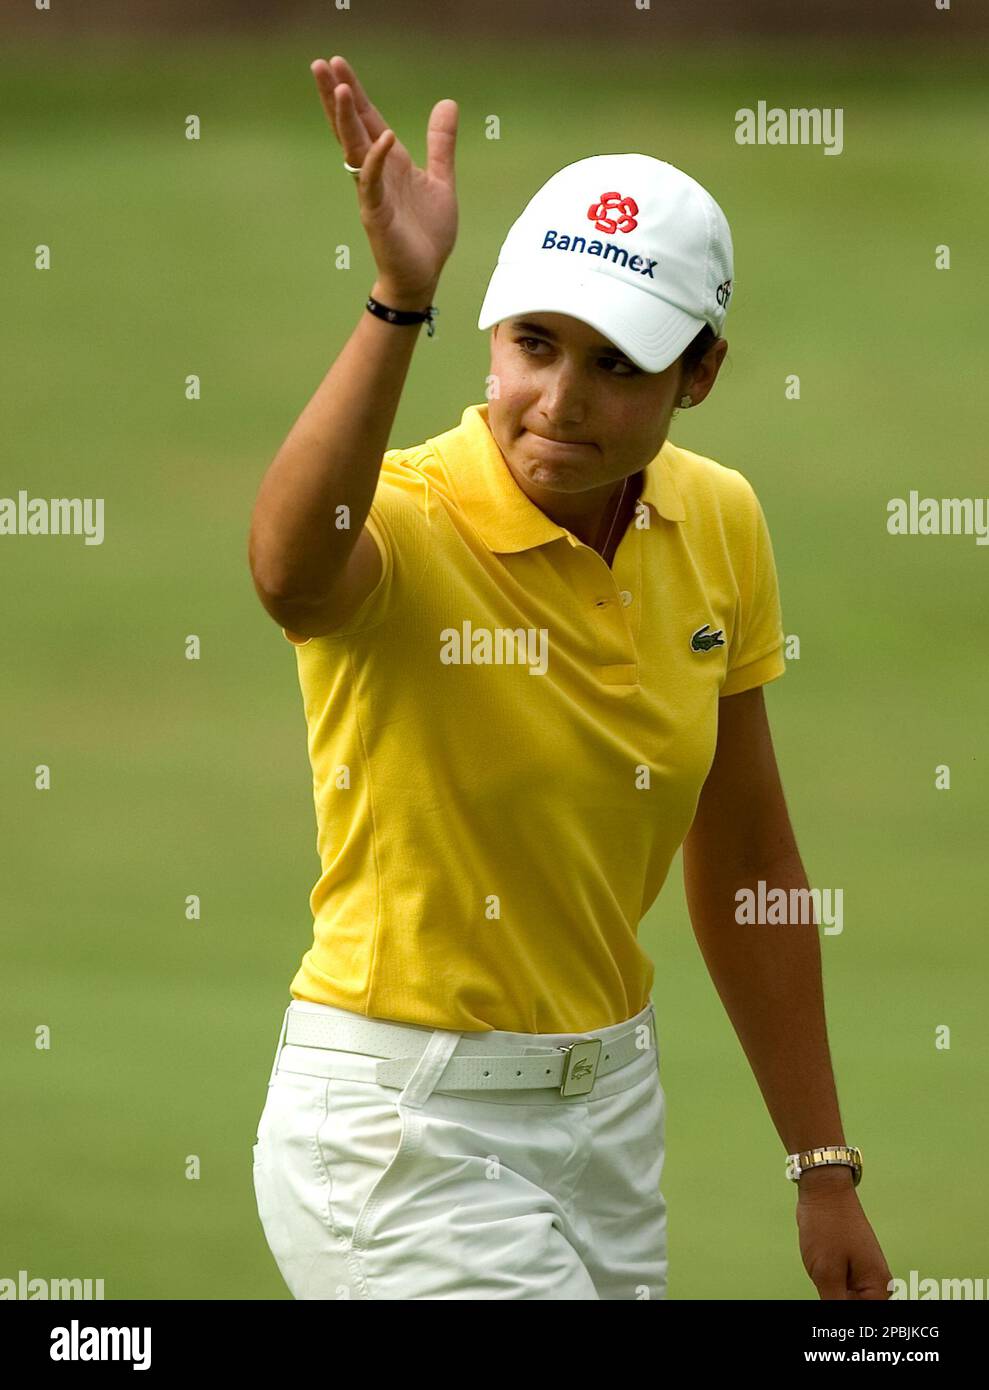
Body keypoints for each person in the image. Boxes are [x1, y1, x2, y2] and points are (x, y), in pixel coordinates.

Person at [246, 53, 892, 1301]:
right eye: (533, 344)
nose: (557, 401)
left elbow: (748, 854)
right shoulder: (414, 518)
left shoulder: (717, 521)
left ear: (697, 375)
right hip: (400, 1128)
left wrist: (820, 1164)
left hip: (608, 1118)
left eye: (617, 365)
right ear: (487, 330)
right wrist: (394, 298)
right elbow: (288, 574)